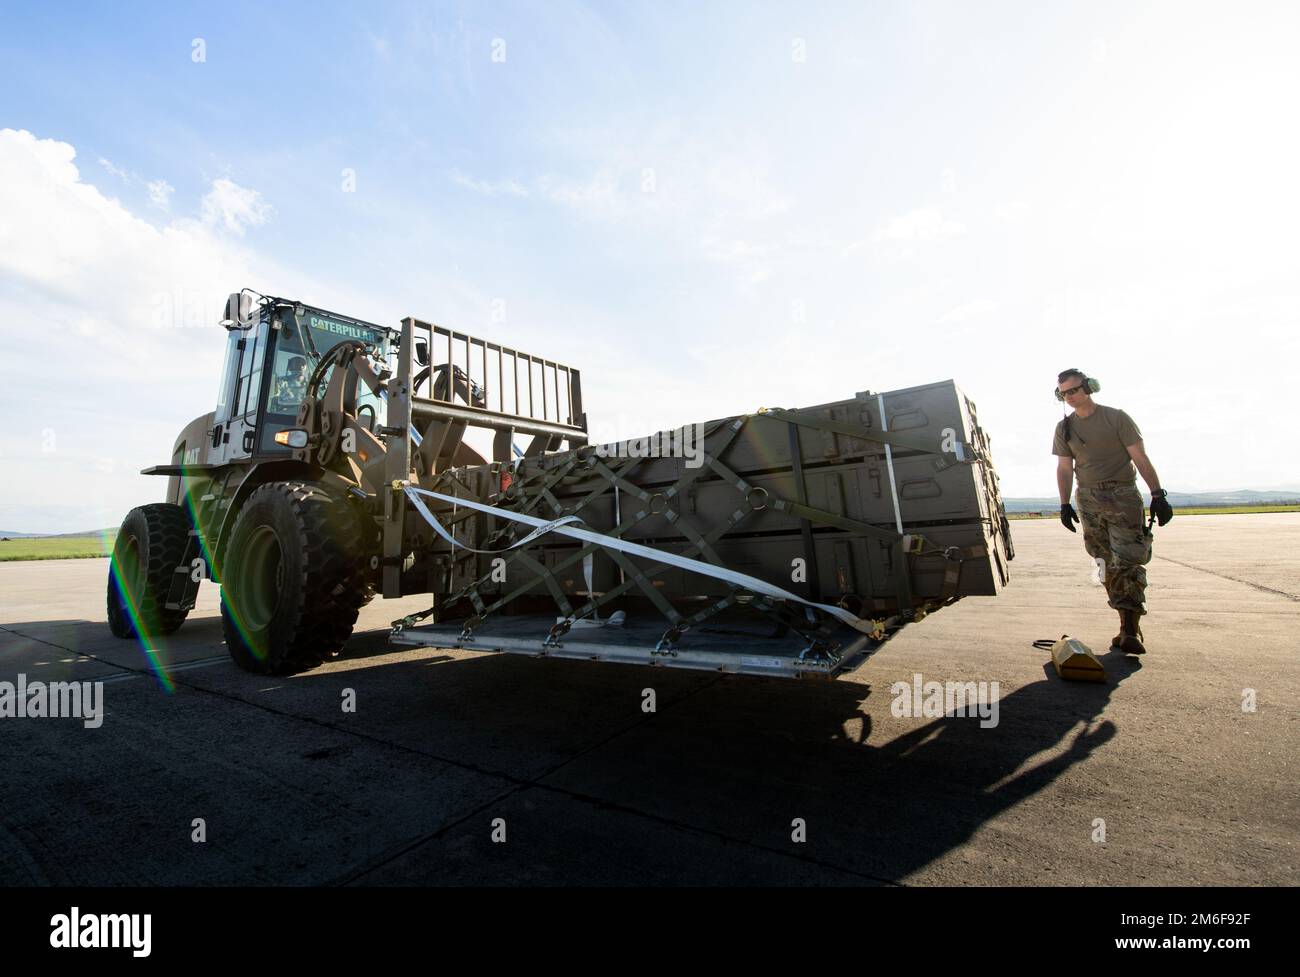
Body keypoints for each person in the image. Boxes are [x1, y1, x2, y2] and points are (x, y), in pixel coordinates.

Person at [1052, 368, 1174, 654]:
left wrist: (1157, 495)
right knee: (1103, 562)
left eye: (1073, 390)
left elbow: (1140, 457)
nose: (1069, 397)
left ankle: (1130, 629)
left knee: (1128, 560)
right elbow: (1064, 468)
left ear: (1089, 387)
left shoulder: (1116, 418)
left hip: (1121, 495)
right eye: (1063, 393)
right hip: (1088, 498)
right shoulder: (1064, 428)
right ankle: (1124, 621)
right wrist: (1064, 503)